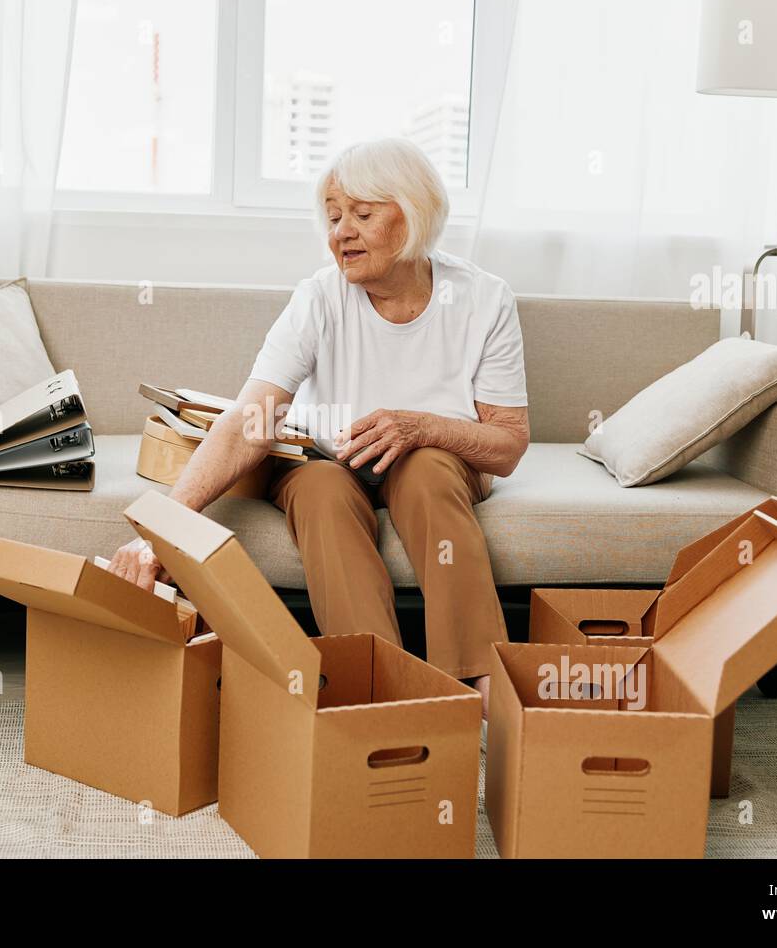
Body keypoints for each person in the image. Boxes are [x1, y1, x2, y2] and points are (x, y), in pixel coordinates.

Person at [110, 137, 530, 716]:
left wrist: (419, 427)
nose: (341, 233)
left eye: (361, 214)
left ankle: (477, 688)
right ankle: (377, 686)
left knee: (427, 469)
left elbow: (507, 445)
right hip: (329, 461)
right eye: (333, 217)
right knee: (321, 489)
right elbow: (250, 419)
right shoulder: (318, 298)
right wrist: (162, 527)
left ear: (414, 214)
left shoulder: (484, 299)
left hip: (439, 463)